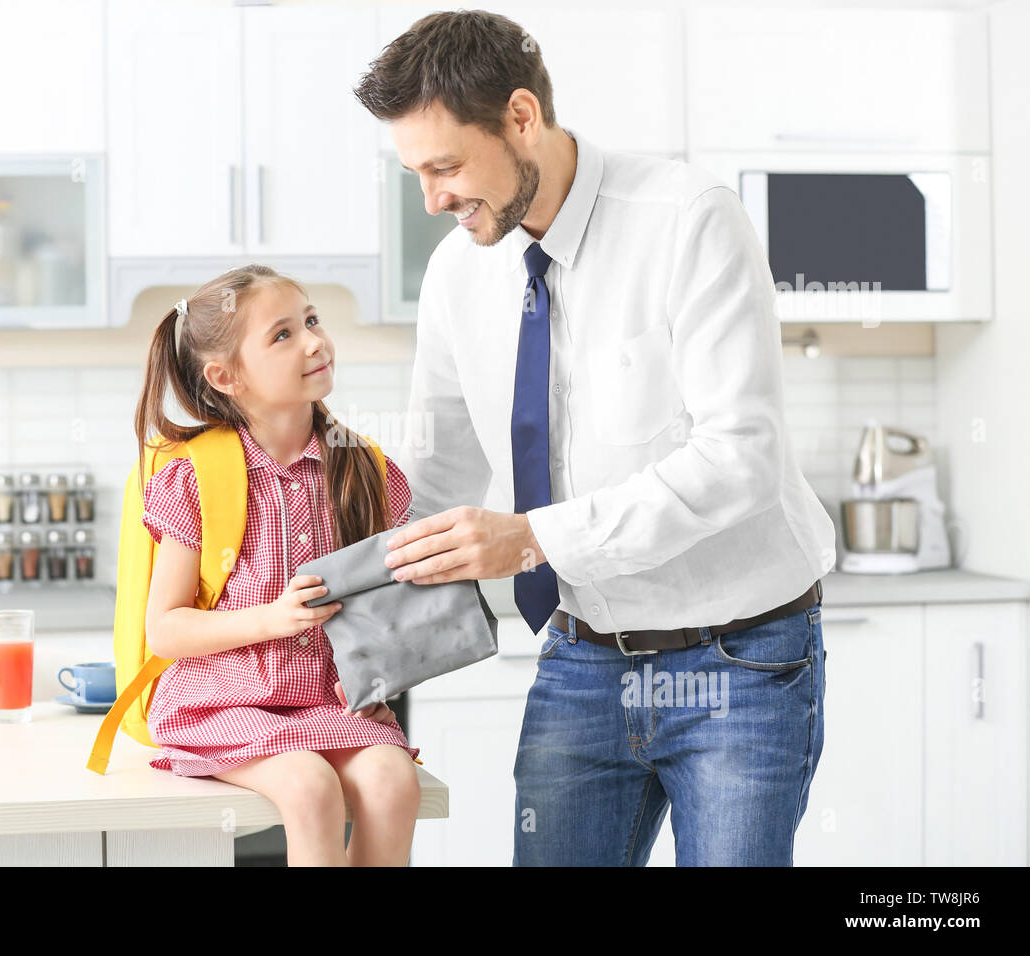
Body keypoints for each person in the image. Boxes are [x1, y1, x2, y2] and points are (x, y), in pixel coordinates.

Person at [354, 10, 836, 865]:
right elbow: (434, 482)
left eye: (446, 166)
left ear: (521, 117)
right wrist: (334, 620)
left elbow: (741, 457)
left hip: (742, 659)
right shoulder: (458, 272)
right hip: (582, 659)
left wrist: (532, 539)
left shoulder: (687, 219)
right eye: (414, 174)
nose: (432, 199)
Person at [134, 263, 422, 867]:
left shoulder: (366, 471)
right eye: (283, 334)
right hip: (226, 704)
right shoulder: (196, 478)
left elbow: (386, 609)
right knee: (310, 786)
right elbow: (165, 629)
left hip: (328, 705)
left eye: (311, 320)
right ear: (226, 376)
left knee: (394, 782)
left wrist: (377, 672)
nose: (314, 341)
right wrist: (272, 618)